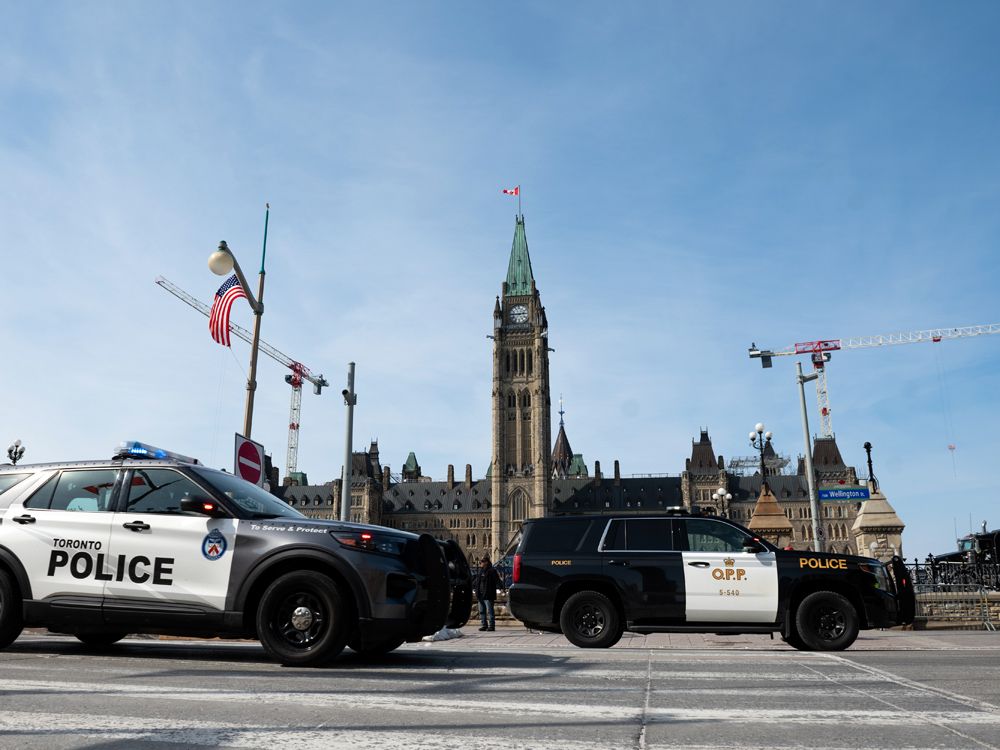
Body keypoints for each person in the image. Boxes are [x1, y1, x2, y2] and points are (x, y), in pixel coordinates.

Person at [476, 556, 500, 631]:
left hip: (488, 594)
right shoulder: (481, 571)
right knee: (482, 611)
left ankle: (491, 626)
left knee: (490, 611)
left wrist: (501, 587)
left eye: (482, 562)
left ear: (486, 562)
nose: (480, 563)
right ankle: (484, 625)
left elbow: (497, 580)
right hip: (481, 594)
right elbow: (477, 582)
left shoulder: (492, 571)